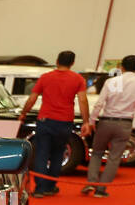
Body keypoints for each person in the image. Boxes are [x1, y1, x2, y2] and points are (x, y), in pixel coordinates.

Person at [17, 50, 88, 197]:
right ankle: (50, 186)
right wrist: (86, 121)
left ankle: (40, 189)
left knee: (42, 153)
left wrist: (23, 113)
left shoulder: (45, 77)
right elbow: (82, 100)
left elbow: (32, 98)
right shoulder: (78, 79)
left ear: (57, 61)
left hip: (45, 120)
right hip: (65, 121)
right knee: (58, 153)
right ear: (72, 63)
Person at [82, 55, 135, 197]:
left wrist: (91, 121)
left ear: (122, 66)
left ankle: (91, 183)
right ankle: (101, 190)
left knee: (96, 153)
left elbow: (100, 103)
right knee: (114, 157)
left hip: (106, 121)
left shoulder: (112, 81)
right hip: (125, 123)